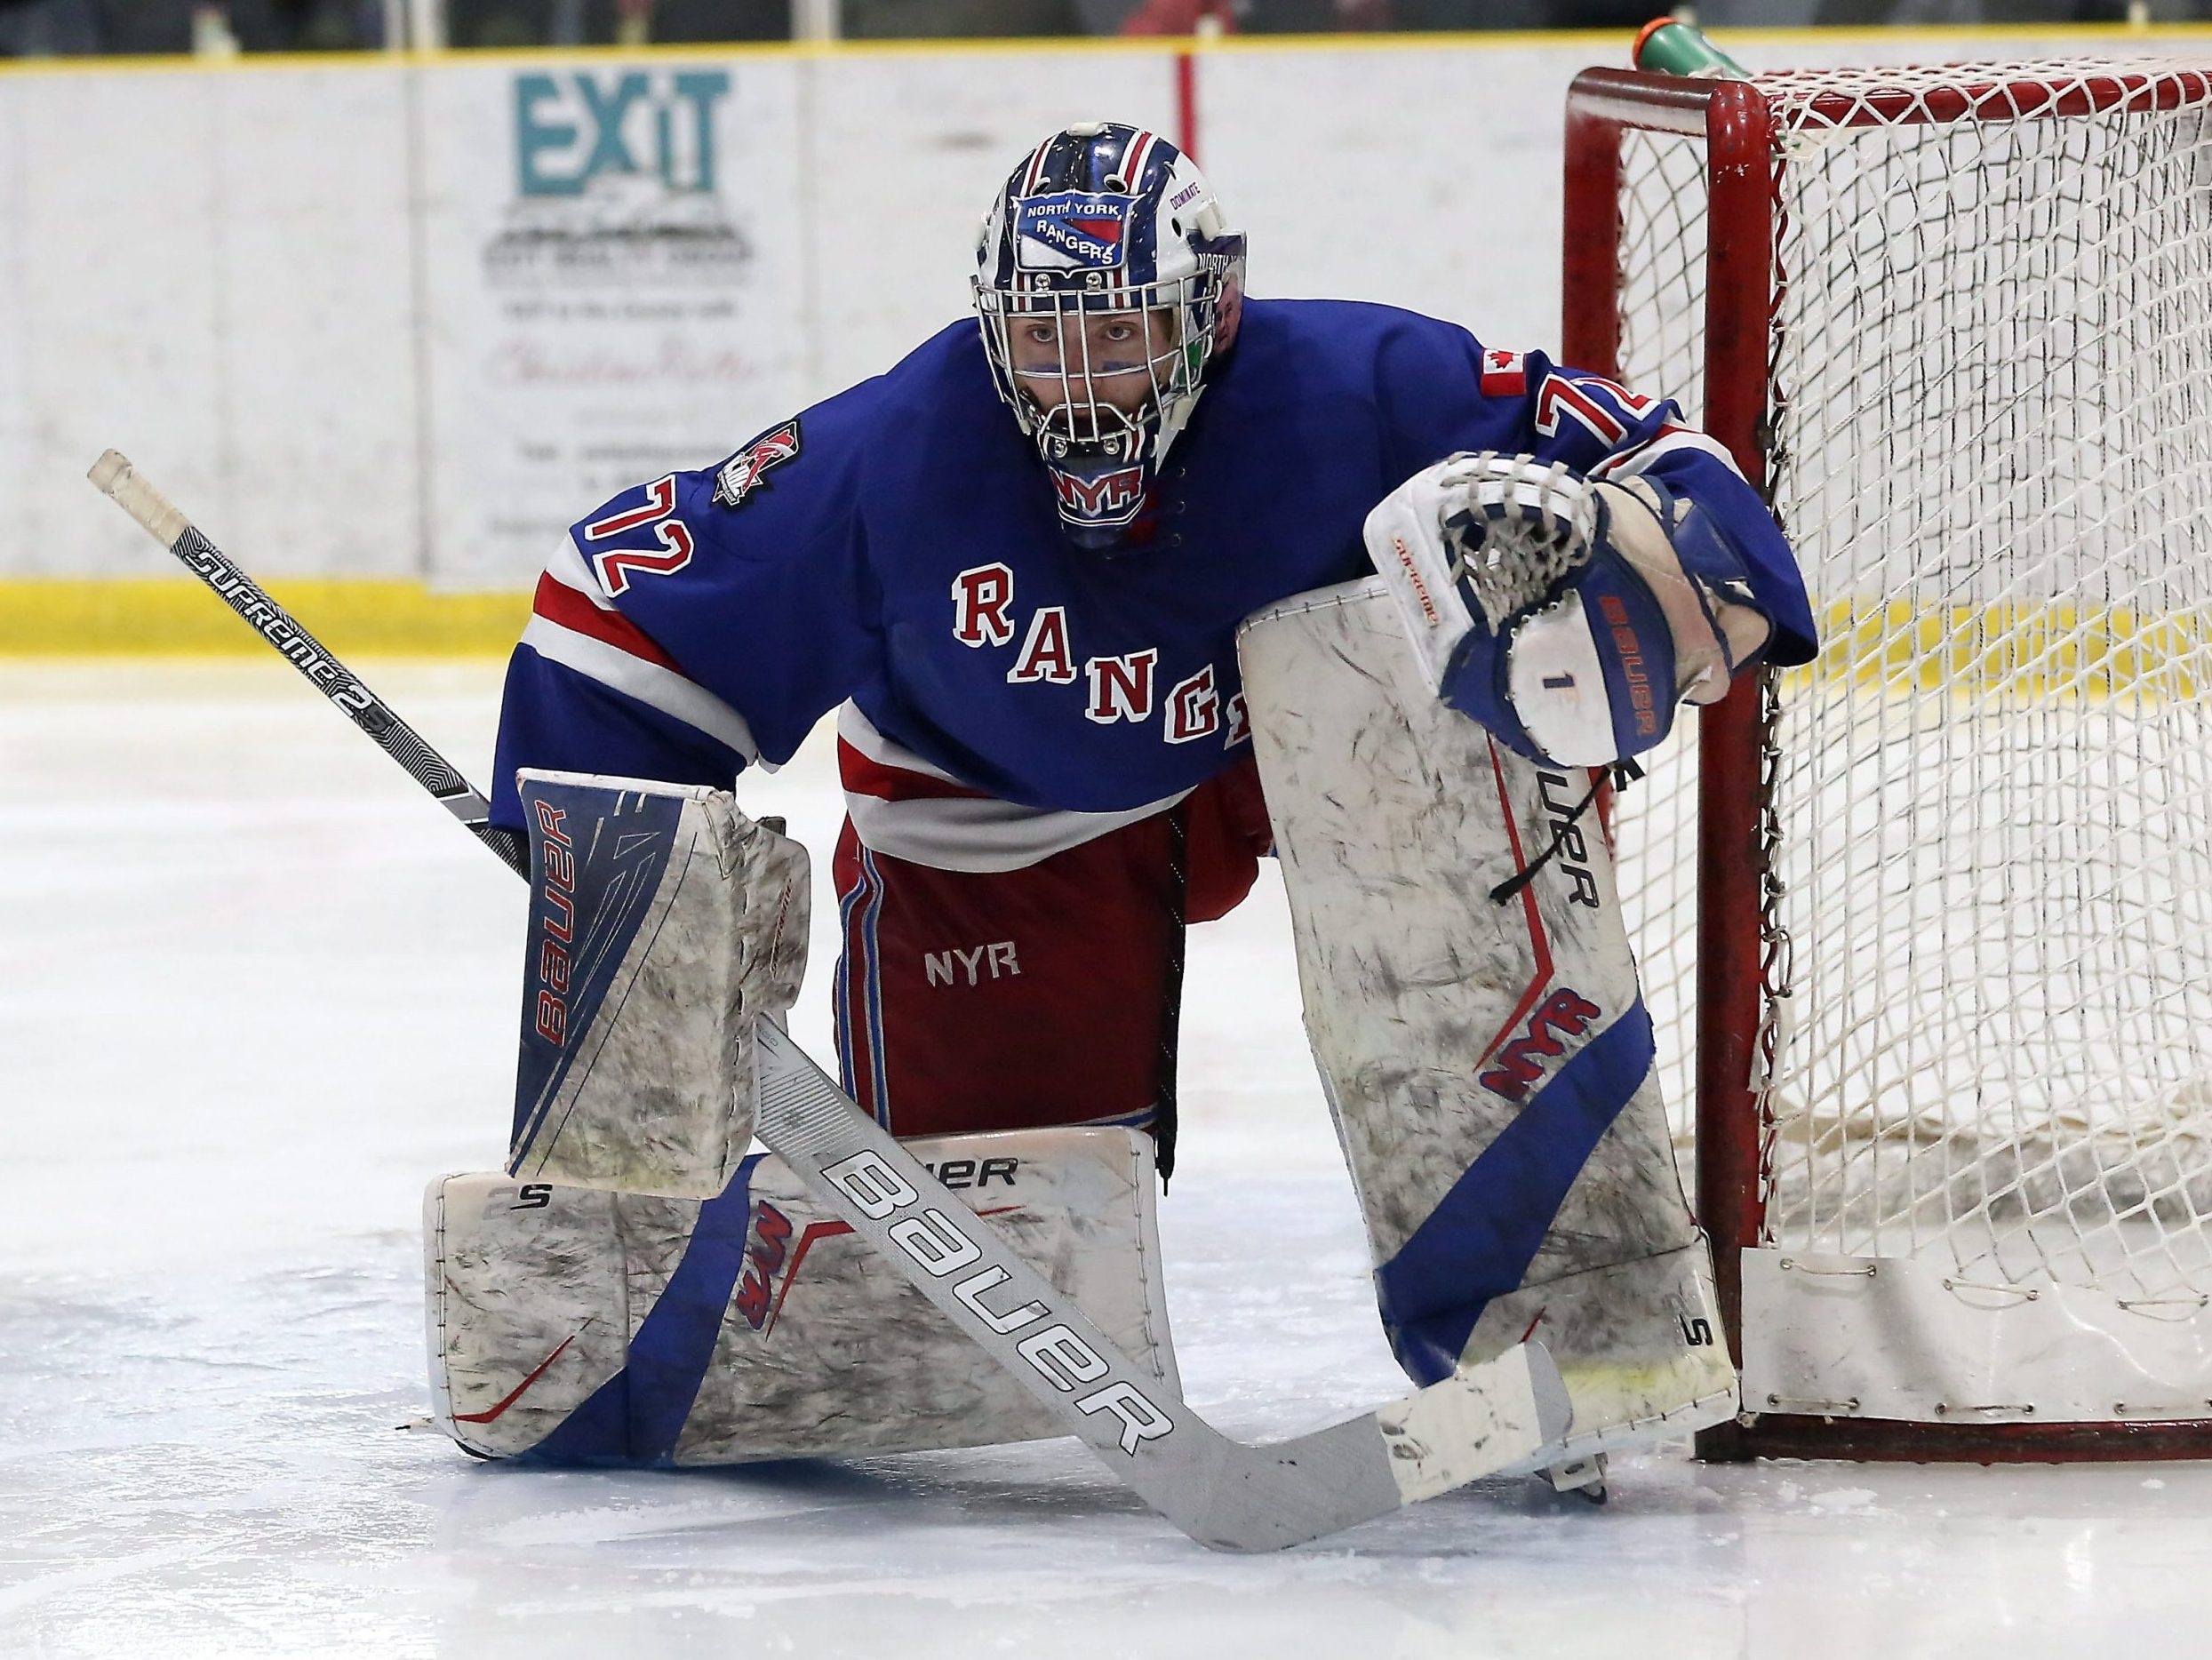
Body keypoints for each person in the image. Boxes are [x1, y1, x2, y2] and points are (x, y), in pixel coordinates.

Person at [488, 119, 1816, 1182]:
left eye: (1117, 335)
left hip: (1305, 761)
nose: (1076, 382)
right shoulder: (897, 454)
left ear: (1209, 315)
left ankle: (1551, 1272)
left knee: (1462, 762)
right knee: (1014, 1231)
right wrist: (604, 871)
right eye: (1041, 340)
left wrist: (1693, 580)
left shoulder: (1354, 384)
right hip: (999, 804)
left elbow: (1644, 450)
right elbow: (620, 609)